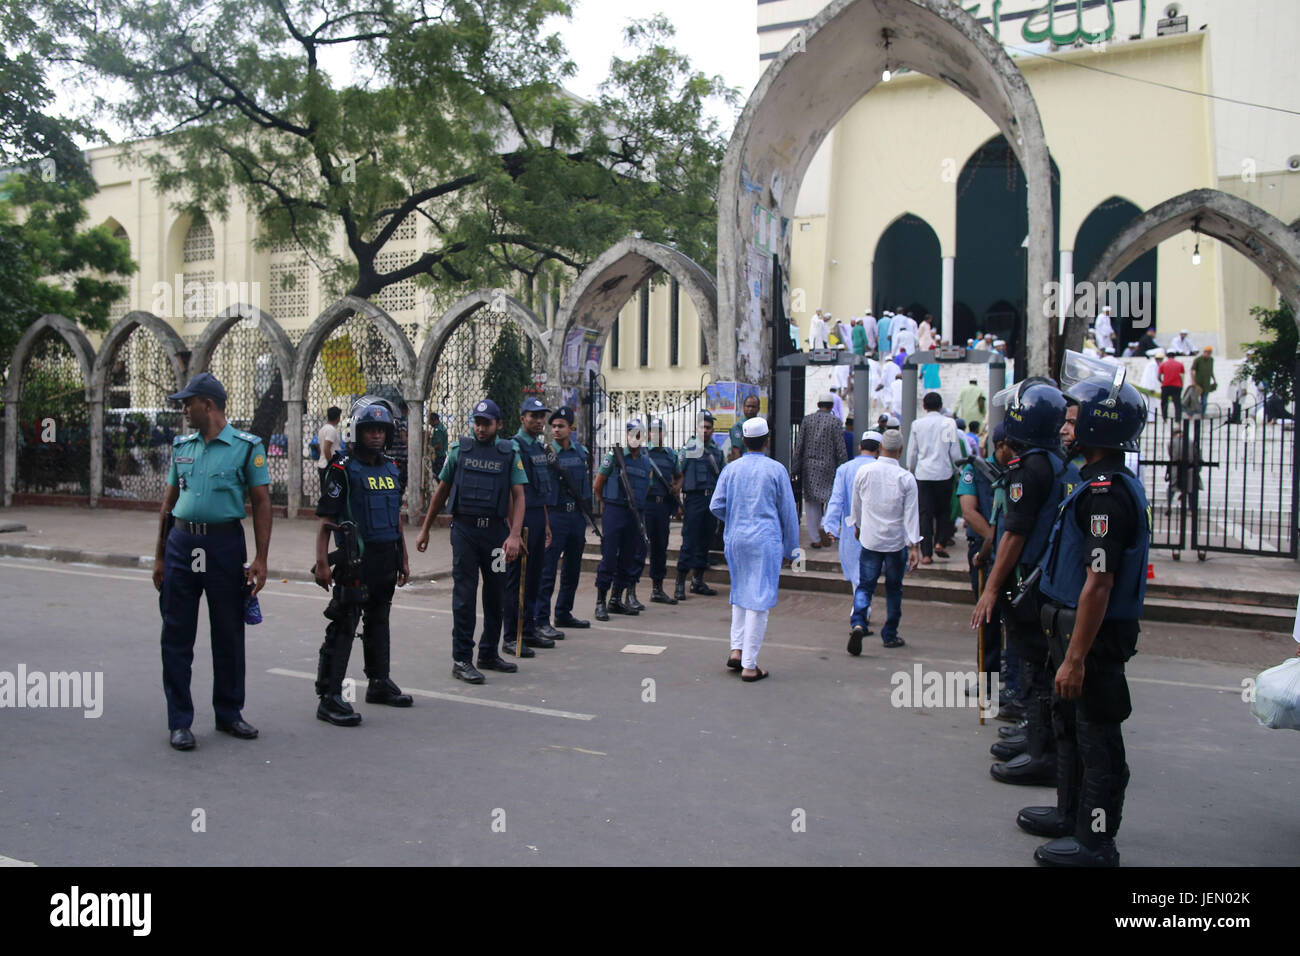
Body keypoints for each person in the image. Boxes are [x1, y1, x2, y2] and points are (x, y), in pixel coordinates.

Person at [1024, 363, 1150, 867]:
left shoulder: (1105, 495)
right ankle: (1071, 816)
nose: (1065, 428)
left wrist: (1075, 658)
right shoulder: (1093, 482)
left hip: (1091, 638)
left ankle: (1096, 841)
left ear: (1099, 426)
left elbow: (1100, 582)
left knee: (1097, 735)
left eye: (1074, 421)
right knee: (1070, 727)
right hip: (1071, 630)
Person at [153, 372, 271, 751]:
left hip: (223, 547)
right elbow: (168, 505)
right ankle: (179, 721)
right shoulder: (181, 447)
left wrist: (261, 559)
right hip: (183, 544)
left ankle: (229, 712)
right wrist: (159, 557)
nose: (184, 410)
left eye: (188, 403)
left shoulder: (245, 446)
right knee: (177, 634)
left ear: (208, 404)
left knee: (228, 633)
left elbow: (262, 502)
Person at [971, 380, 1080, 787]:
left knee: (1036, 665)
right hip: (1042, 581)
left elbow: (1014, 534)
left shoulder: (1029, 468)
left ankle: (1042, 751)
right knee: (1037, 665)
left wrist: (992, 589)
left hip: (1028, 581)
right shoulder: (1053, 461)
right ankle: (1035, 738)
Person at [312, 399, 413, 726]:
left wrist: (404, 557)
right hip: (356, 560)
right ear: (357, 431)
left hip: (386, 558)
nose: (375, 436)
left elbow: (395, 517)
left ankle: (379, 683)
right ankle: (329, 697)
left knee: (379, 620)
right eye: (370, 429)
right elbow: (327, 519)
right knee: (345, 624)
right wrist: (322, 562)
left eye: (381, 431)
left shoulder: (391, 469)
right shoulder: (342, 468)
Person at [415, 398, 527, 684]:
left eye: (486, 423)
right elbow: (442, 491)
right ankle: (462, 659)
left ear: (498, 425)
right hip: (464, 532)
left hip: (496, 535)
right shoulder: (459, 451)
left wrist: (514, 535)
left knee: (496, 594)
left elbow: (519, 495)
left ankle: (489, 652)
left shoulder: (509, 453)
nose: (480, 428)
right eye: (476, 422)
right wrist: (425, 529)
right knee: (464, 597)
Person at [709, 417, 800, 681]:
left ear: (743, 441)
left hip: (737, 538)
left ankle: (737, 650)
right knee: (759, 598)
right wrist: (791, 549)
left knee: (740, 591)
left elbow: (716, 505)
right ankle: (750, 664)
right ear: (767, 440)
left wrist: (736, 517)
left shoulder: (731, 469)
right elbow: (788, 513)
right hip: (764, 540)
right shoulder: (776, 470)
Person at [959, 422, 1014, 714]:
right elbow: (969, 510)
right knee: (988, 619)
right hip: (983, 553)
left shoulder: (1021, 470)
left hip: (1014, 554)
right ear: (1000, 445)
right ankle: (988, 678)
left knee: (1016, 620)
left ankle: (1012, 679)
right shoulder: (975, 470)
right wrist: (994, 539)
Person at [848, 429, 920, 651]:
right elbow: (911, 515)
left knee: (865, 586)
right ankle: (889, 633)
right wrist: (914, 545)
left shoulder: (865, 472)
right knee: (894, 588)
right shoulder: (906, 478)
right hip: (895, 542)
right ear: (900, 450)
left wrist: (857, 526)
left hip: (870, 539)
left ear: (880, 449)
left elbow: (856, 504)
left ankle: (859, 621)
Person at [500, 397, 556, 656]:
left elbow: (540, 490)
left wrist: (545, 524)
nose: (539, 421)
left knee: (533, 578)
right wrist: (513, 530)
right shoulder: (514, 446)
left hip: (536, 517)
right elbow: (514, 492)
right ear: (522, 418)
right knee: (515, 580)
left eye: (542, 416)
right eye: (533, 416)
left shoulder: (539, 448)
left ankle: (529, 629)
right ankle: (511, 636)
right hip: (520, 520)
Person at [534, 407, 593, 639]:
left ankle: (563, 612)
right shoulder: (546, 454)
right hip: (554, 515)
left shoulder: (581, 452)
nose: (556, 430)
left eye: (561, 426)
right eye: (554, 426)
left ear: (571, 428)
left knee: (572, 568)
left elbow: (585, 489)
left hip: (576, 517)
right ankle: (541, 619)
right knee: (547, 570)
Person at [594, 419, 652, 619]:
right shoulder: (614, 456)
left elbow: (648, 487)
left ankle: (616, 599)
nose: (635, 437)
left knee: (628, 558)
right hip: (615, 511)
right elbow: (598, 484)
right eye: (631, 433)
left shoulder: (646, 461)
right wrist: (607, 504)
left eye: (639, 434)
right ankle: (601, 600)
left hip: (635, 514)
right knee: (609, 558)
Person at [823, 430, 880, 622]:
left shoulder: (845, 469)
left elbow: (836, 499)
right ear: (879, 449)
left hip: (850, 529)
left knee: (857, 571)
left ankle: (860, 609)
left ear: (860, 447)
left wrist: (830, 525)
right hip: (876, 528)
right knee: (867, 572)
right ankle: (861, 610)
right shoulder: (880, 468)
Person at [905, 392, 967, 565]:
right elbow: (954, 452)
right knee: (943, 511)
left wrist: (911, 470)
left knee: (924, 514)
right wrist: (958, 469)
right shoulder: (948, 423)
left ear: (924, 406)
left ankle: (926, 554)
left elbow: (913, 453)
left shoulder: (917, 424)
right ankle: (940, 542)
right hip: (943, 473)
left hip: (923, 474)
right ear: (940, 406)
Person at [675, 411, 726, 600]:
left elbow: (721, 478)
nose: (705, 431)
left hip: (710, 500)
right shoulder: (688, 449)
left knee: (705, 541)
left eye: (708, 427)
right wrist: (679, 503)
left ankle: (698, 580)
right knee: (689, 540)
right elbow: (678, 474)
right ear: (696, 429)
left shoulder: (716, 452)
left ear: (712, 430)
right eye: (701, 427)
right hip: (694, 500)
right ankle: (680, 582)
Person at [792, 392, 848, 550]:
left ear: (818, 405)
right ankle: (826, 526)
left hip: (810, 467)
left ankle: (816, 538)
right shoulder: (835, 422)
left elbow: (799, 445)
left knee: (811, 504)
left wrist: (795, 469)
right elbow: (840, 448)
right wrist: (843, 468)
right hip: (829, 467)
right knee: (831, 500)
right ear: (831, 407)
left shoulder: (807, 420)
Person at [643, 417, 682, 605]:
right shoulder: (642, 454)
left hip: (662, 506)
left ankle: (657, 588)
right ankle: (628, 591)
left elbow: (679, 475)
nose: (656, 434)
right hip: (645, 506)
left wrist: (676, 487)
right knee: (638, 547)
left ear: (664, 434)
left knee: (660, 547)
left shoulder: (670, 455)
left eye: (660, 431)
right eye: (653, 431)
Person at [728, 393, 762, 462]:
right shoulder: (739, 426)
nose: (750, 409)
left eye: (753, 407)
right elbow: (736, 451)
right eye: (748, 406)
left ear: (758, 409)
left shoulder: (761, 425)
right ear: (743, 407)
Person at [317, 406, 342, 493]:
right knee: (331, 493)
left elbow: (320, 448)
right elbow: (326, 448)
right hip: (328, 466)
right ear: (338, 417)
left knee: (325, 491)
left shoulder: (323, 429)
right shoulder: (331, 430)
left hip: (322, 464)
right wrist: (332, 464)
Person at [1157, 352, 1185, 421]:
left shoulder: (1163, 364)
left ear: (1167, 357)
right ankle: (1178, 418)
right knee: (1177, 403)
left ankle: (1164, 418)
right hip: (1177, 385)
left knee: (1164, 402)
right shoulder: (1180, 364)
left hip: (1166, 385)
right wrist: (1182, 385)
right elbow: (1182, 376)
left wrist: (1162, 382)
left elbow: (1159, 376)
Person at [1191, 346, 1216, 415]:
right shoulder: (1198, 360)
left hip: (1206, 384)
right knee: (1195, 399)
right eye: (1207, 352)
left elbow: (1211, 371)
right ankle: (1194, 412)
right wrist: (1193, 381)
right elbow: (1192, 370)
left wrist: (1214, 380)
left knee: (1204, 401)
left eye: (1209, 353)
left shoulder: (1211, 360)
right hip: (1198, 383)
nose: (1208, 354)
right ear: (1204, 352)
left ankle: (1202, 413)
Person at [427, 411, 448, 480]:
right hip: (442, 456)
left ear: (435, 420)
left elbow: (439, 445)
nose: (429, 424)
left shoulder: (438, 430)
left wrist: (431, 449)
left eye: (430, 421)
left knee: (436, 475)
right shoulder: (441, 427)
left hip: (439, 457)